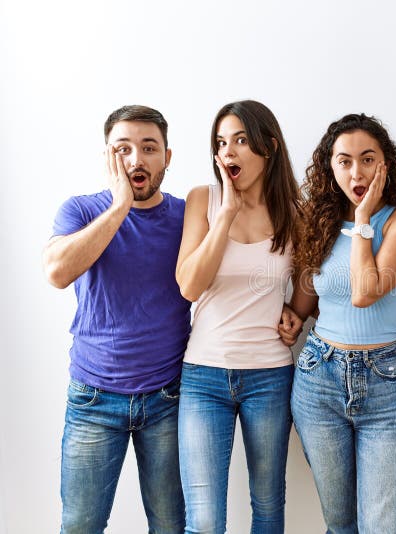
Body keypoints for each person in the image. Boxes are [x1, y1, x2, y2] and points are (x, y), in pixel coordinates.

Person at [43, 105, 190, 533]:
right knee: (81, 525)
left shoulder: (186, 215)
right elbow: (56, 272)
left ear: (167, 156)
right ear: (108, 157)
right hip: (93, 397)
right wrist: (120, 206)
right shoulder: (82, 210)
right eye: (122, 149)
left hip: (168, 398)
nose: (136, 160)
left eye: (149, 148)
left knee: (170, 525)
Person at [285, 113, 396, 534]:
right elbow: (311, 299)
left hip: (385, 382)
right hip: (318, 377)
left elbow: (366, 291)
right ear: (330, 167)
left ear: (386, 163)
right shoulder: (319, 220)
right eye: (344, 161)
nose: (356, 171)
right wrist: (290, 318)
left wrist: (363, 220)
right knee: (340, 524)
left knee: (380, 527)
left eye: (368, 159)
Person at [175, 100, 300, 533]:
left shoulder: (293, 212)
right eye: (222, 143)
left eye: (241, 141)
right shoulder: (203, 200)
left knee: (267, 506)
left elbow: (316, 280)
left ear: (269, 147)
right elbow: (190, 285)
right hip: (204, 376)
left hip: (269, 376)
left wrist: (299, 313)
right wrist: (225, 214)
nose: (229, 152)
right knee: (205, 519)